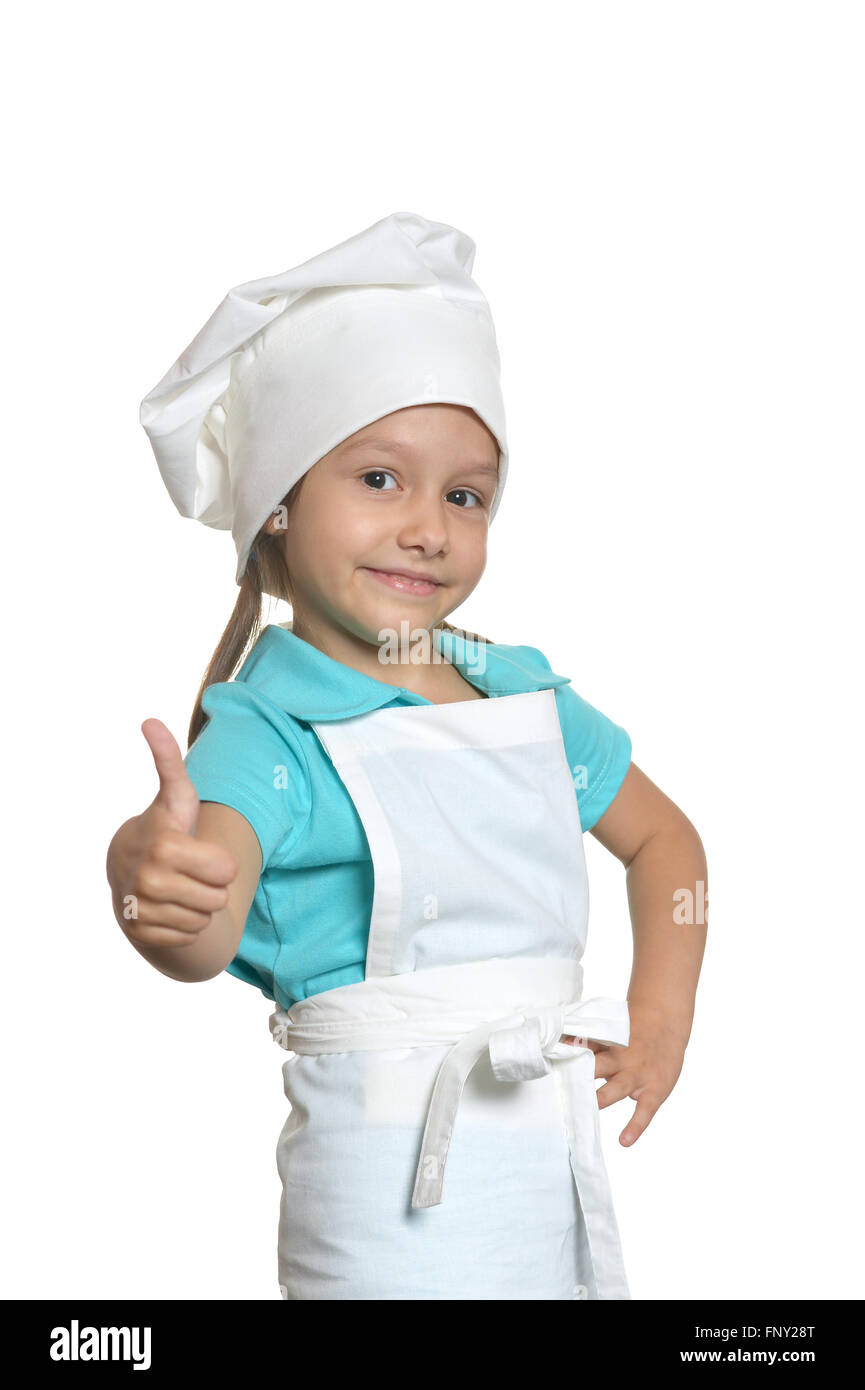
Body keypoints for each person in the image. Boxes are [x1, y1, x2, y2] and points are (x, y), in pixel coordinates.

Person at [106, 211, 708, 1300]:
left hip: (544, 1177)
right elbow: (202, 901)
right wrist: (153, 886)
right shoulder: (270, 730)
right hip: (386, 1209)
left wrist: (660, 1016)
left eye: (464, 494)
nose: (428, 525)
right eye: (379, 478)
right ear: (279, 504)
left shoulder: (523, 696)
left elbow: (668, 846)